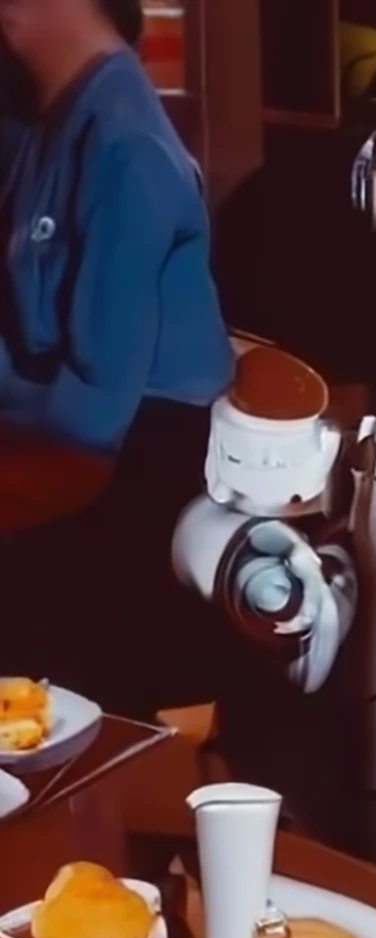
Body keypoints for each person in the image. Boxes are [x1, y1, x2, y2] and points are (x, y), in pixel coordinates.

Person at [0, 0, 235, 718]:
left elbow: (91, 418)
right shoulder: (39, 124)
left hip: (134, 476)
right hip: (54, 455)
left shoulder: (127, 148)